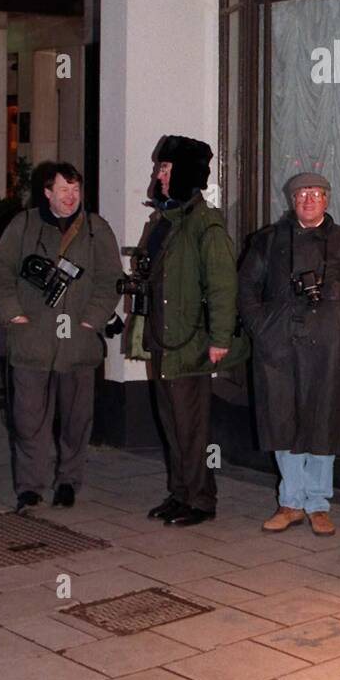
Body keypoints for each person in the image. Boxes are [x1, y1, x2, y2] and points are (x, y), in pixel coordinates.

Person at [238, 172, 340, 537]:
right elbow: (247, 288)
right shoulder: (268, 241)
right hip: (279, 347)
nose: (309, 200)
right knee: (283, 420)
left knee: (322, 421)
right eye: (302, 194)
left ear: (327, 200)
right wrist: (261, 328)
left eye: (316, 194)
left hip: (330, 350)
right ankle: (290, 502)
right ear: (291, 200)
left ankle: (319, 504)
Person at [0, 162, 122, 512]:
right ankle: (30, 487)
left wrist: (92, 320)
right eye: (63, 190)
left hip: (78, 344)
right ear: (47, 192)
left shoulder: (96, 229)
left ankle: (68, 481)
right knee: (29, 419)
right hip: (32, 342)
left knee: (76, 420)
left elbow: (110, 281)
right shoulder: (24, 225)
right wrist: (13, 315)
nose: (71, 196)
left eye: (76, 190)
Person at [127, 135, 238, 528]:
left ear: (184, 174)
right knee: (171, 422)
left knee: (191, 427)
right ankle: (180, 493)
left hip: (190, 343)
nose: (158, 175)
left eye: (165, 169)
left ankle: (201, 499)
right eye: (159, 168)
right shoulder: (166, 221)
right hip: (163, 338)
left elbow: (223, 285)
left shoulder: (205, 225)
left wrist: (220, 339)